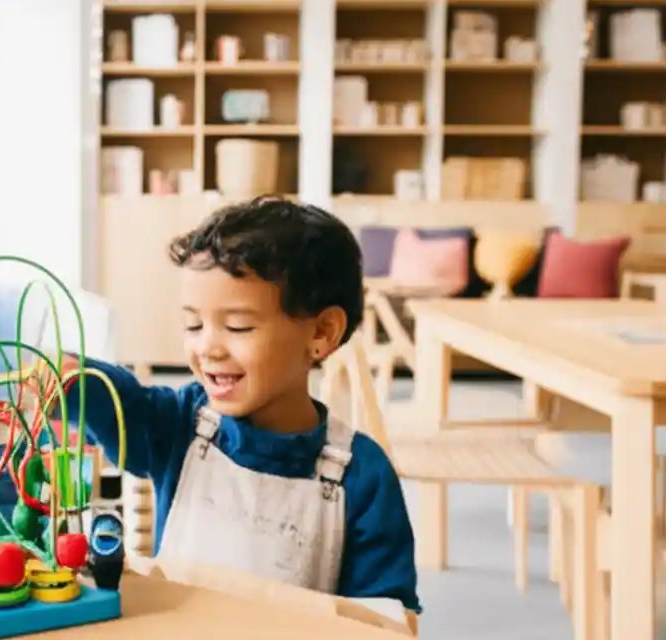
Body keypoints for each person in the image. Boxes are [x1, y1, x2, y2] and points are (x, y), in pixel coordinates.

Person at [35, 196, 420, 615]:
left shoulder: (362, 476)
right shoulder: (180, 425)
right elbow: (121, 403)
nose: (207, 348)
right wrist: (69, 378)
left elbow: (384, 616)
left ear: (322, 332)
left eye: (238, 326)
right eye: (194, 325)